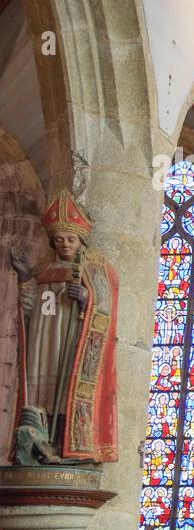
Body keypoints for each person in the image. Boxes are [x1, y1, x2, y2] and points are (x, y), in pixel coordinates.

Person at [11, 190, 119, 462]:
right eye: (59, 239)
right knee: (41, 392)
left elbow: (104, 308)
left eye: (71, 239)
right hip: (42, 341)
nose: (65, 245)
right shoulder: (42, 271)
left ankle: (64, 443)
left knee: (67, 391)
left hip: (70, 342)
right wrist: (25, 278)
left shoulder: (93, 271)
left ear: (81, 241)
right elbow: (29, 307)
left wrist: (85, 299)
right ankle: (41, 441)